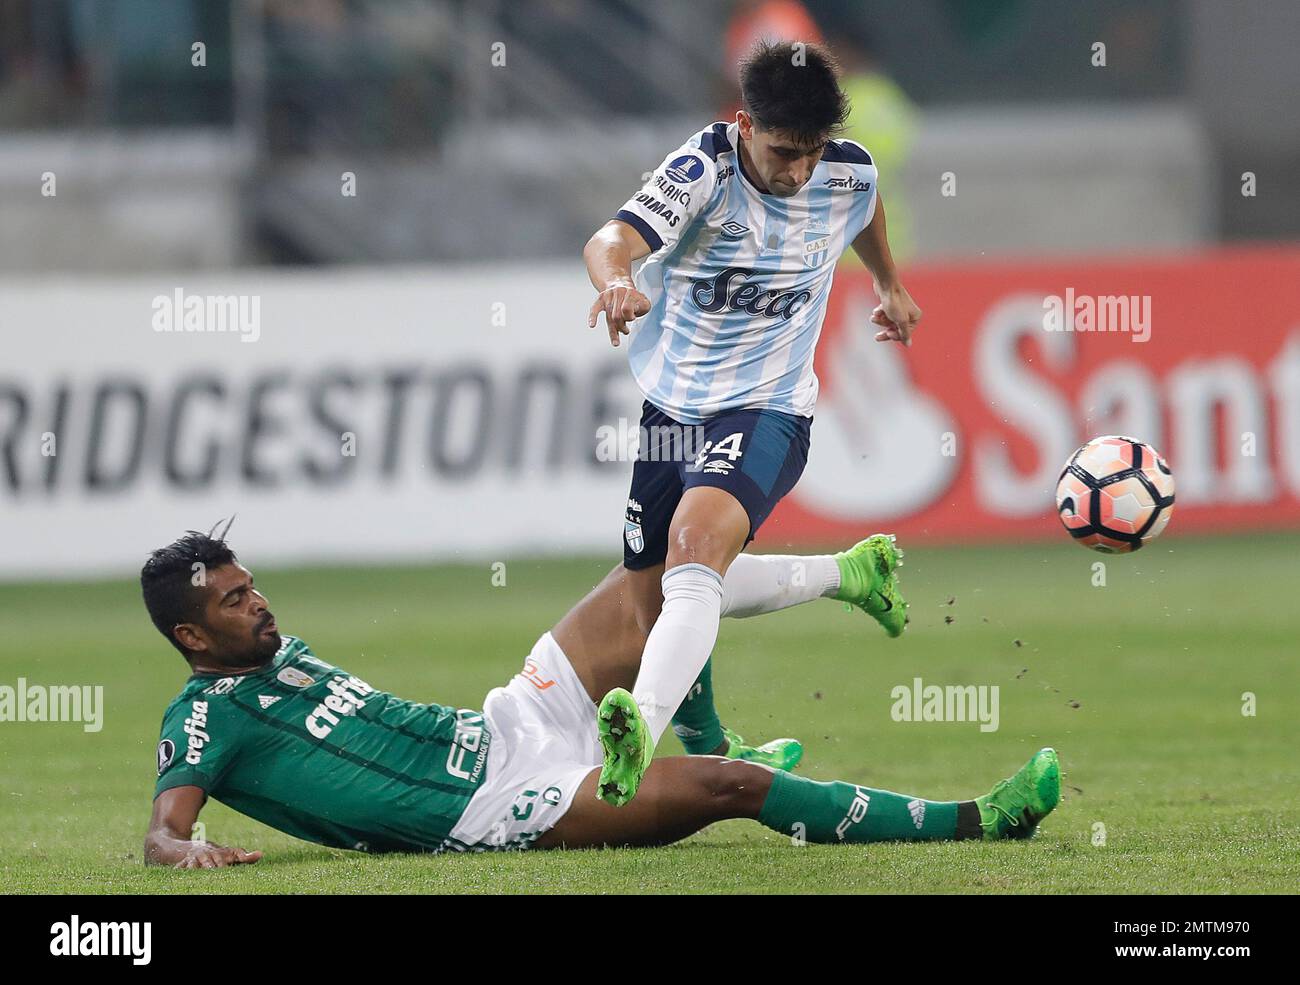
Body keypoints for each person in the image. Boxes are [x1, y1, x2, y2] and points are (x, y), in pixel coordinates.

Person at [141, 527, 1059, 867]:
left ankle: (713, 720)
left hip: (509, 721)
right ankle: (980, 820)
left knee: (657, 581)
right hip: (496, 805)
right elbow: (161, 831)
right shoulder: (201, 721)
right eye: (233, 599)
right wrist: (184, 851)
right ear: (191, 637)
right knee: (729, 790)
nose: (257, 602)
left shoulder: (281, 658)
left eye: (251, 583)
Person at [583, 40, 922, 804]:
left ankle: (638, 725)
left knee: (695, 551)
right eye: (781, 151)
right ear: (744, 124)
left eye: (811, 153)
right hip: (670, 408)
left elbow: (862, 207)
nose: (798, 171)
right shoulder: (701, 172)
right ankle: (843, 580)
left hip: (767, 406)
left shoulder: (847, 169)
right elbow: (611, 239)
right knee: (653, 603)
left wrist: (891, 285)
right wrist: (615, 282)